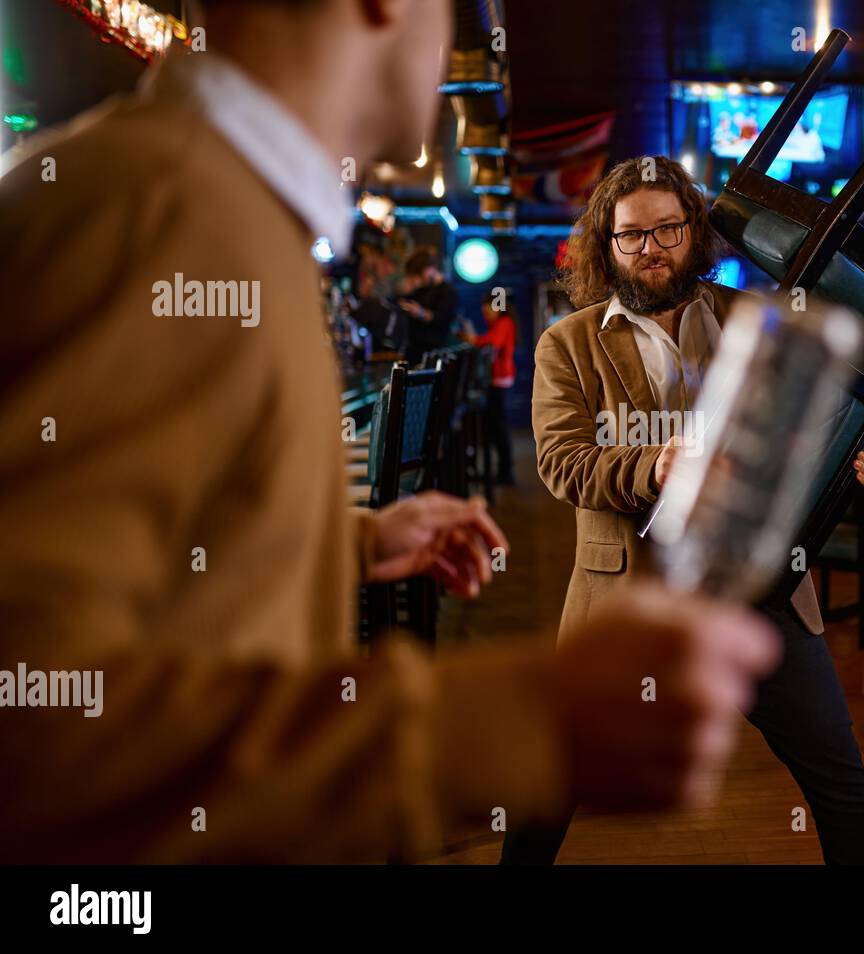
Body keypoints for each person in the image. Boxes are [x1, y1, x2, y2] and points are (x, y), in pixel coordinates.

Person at [0, 0, 781, 862]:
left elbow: (160, 580)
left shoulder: (216, 206)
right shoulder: (172, 212)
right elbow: (38, 723)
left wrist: (339, 542)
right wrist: (521, 719)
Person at [505, 155, 864, 865]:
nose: (650, 247)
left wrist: (854, 457)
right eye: (632, 235)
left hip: (762, 587)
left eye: (667, 229)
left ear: (696, 233)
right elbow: (563, 464)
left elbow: (810, 430)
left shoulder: (759, 321)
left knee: (842, 784)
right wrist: (653, 465)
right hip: (628, 590)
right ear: (607, 244)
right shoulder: (565, 344)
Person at [466, 291, 518, 485]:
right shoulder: (499, 324)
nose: (485, 310)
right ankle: (502, 471)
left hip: (500, 380)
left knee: (498, 426)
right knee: (495, 426)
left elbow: (492, 344)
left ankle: (506, 473)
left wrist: (473, 340)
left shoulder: (504, 323)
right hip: (498, 379)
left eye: (489, 306)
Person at [398, 248, 457, 364]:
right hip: (413, 350)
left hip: (435, 353)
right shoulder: (420, 290)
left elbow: (442, 319)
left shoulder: (447, 291)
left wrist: (420, 313)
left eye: (419, 273)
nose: (418, 278)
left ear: (431, 268)